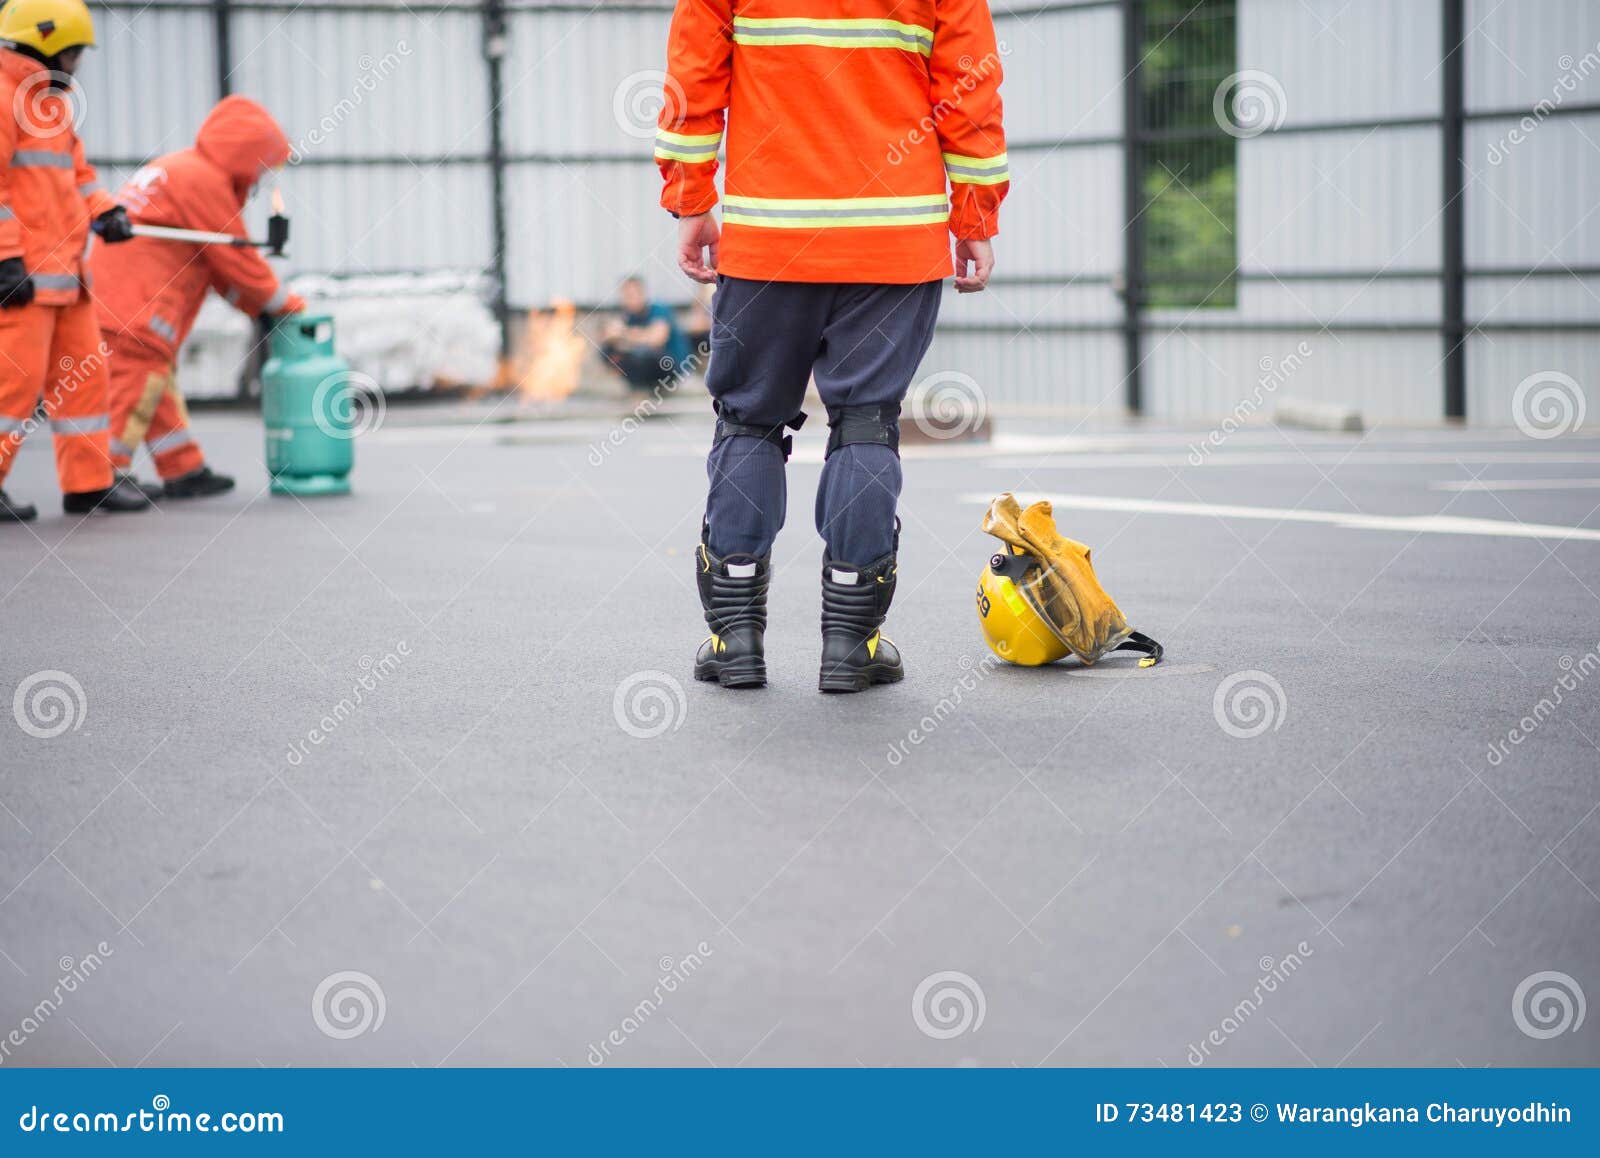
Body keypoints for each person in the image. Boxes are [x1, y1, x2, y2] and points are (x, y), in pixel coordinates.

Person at [657, 0, 1008, 691]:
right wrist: (974, 214)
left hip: (769, 242)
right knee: (866, 423)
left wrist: (693, 200)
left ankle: (734, 641)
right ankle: (852, 643)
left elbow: (693, 77)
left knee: (748, 421)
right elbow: (969, 85)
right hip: (893, 239)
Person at [91, 95, 305, 500]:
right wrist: (285, 305)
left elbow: (216, 267)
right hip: (138, 308)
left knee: (156, 386)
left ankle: (182, 467)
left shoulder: (183, 168)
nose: (261, 180)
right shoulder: (203, 181)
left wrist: (255, 305)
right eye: (263, 167)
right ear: (247, 156)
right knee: (133, 386)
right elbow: (236, 261)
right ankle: (103, 475)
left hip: (122, 299)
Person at [0, 0, 151, 522]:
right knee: (12, 389)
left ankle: (89, 484)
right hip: (23, 278)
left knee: (85, 383)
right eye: (73, 52)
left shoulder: (50, 106)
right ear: (47, 44)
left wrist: (107, 212)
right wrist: (4, 260)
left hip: (65, 277)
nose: (78, 63)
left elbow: (78, 177)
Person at [599, 275, 690, 391]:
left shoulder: (658, 309)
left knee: (642, 353)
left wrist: (622, 333)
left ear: (642, 293)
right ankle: (637, 388)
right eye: (626, 296)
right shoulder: (628, 316)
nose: (629, 299)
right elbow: (609, 337)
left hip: (671, 367)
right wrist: (613, 336)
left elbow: (657, 339)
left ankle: (650, 388)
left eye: (632, 295)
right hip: (645, 365)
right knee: (608, 349)